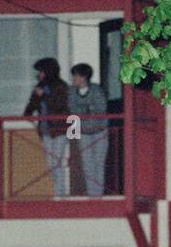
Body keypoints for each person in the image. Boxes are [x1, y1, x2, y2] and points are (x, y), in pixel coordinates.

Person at [24, 57, 70, 197]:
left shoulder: (62, 86)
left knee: (56, 163)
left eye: (40, 71)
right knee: (50, 164)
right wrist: (28, 115)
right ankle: (59, 193)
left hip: (60, 130)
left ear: (48, 71)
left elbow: (61, 107)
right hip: (45, 131)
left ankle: (60, 195)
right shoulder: (40, 87)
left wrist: (45, 96)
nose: (38, 74)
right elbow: (31, 106)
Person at [68, 63, 109, 196]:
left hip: (100, 131)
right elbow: (72, 110)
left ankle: (99, 193)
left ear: (84, 77)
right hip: (83, 131)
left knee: (99, 162)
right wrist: (88, 111)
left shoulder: (96, 90)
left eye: (76, 75)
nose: (73, 78)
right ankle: (92, 194)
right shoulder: (72, 92)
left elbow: (100, 109)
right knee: (87, 163)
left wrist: (85, 113)